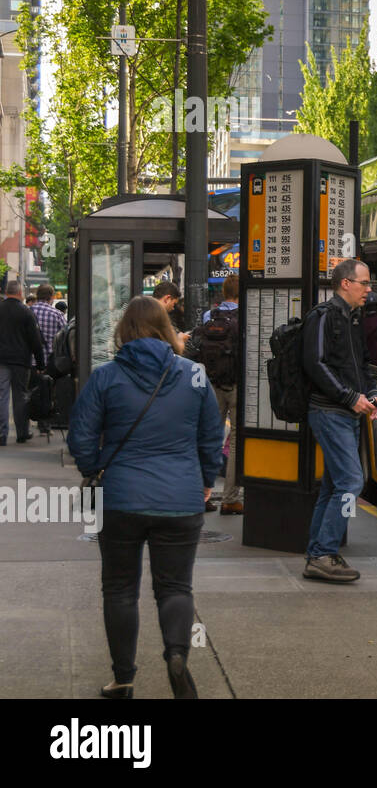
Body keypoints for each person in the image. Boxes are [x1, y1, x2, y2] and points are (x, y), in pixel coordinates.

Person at [68, 296, 223, 699]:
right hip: (181, 497)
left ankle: (123, 678)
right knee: (175, 587)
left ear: (124, 331)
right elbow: (211, 436)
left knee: (119, 589)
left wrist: (94, 468)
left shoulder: (106, 377)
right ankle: (176, 654)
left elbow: (80, 436)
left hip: (120, 497)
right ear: (166, 329)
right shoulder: (193, 375)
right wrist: (205, 480)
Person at [301, 259, 377, 583]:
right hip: (330, 412)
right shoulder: (323, 316)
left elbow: (361, 363)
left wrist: (371, 393)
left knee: (335, 485)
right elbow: (315, 363)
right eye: (364, 283)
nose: (369, 289)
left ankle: (318, 553)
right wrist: (351, 397)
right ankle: (323, 553)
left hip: (344, 413)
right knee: (352, 482)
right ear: (345, 283)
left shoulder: (351, 318)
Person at [185, 274, 242, 515]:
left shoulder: (211, 317)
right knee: (237, 442)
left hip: (212, 385)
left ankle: (202, 495)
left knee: (210, 438)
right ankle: (230, 498)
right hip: (238, 386)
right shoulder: (245, 316)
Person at [0, 280, 44, 445]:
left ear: (6, 292)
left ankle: (1, 434)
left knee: (1, 396)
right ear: (19, 293)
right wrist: (40, 364)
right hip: (20, 361)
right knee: (20, 397)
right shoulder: (26, 312)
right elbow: (35, 340)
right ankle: (22, 433)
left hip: (1, 360)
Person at [30, 284, 66, 435]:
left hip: (29, 361)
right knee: (47, 392)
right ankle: (44, 426)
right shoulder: (56, 314)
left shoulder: (28, 311)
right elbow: (64, 335)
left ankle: (27, 421)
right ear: (51, 297)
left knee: (29, 392)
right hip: (49, 361)